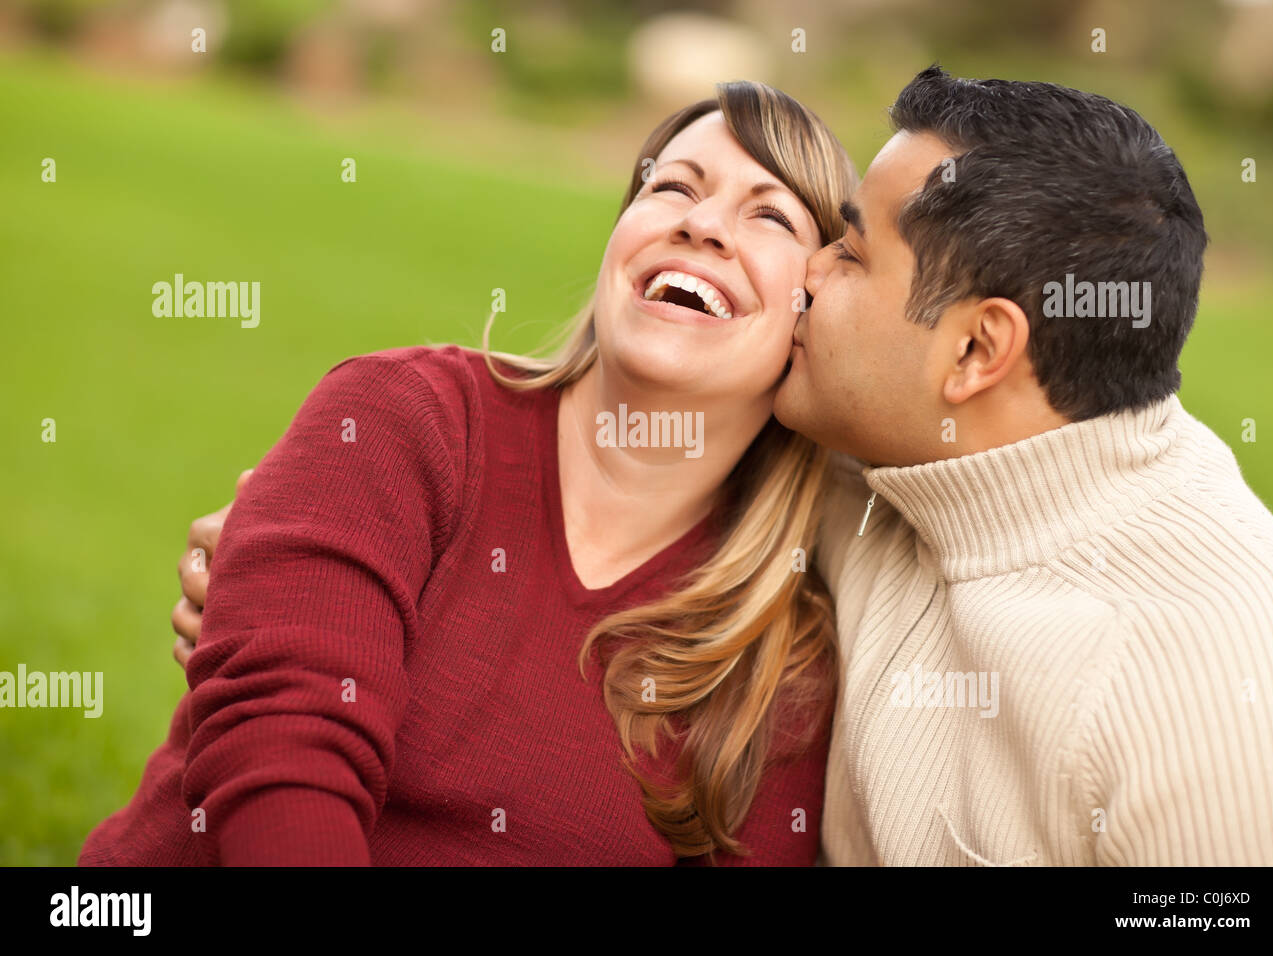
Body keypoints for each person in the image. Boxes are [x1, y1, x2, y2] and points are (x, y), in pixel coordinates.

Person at [79, 81, 859, 866]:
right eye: (671, 187)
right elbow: (282, 757)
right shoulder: (400, 416)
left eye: (768, 214)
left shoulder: (780, 661)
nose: (700, 222)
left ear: (814, 315)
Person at [773, 66, 1273, 865]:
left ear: (977, 349)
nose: (805, 271)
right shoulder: (884, 465)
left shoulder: (1215, 687)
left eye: (849, 252)